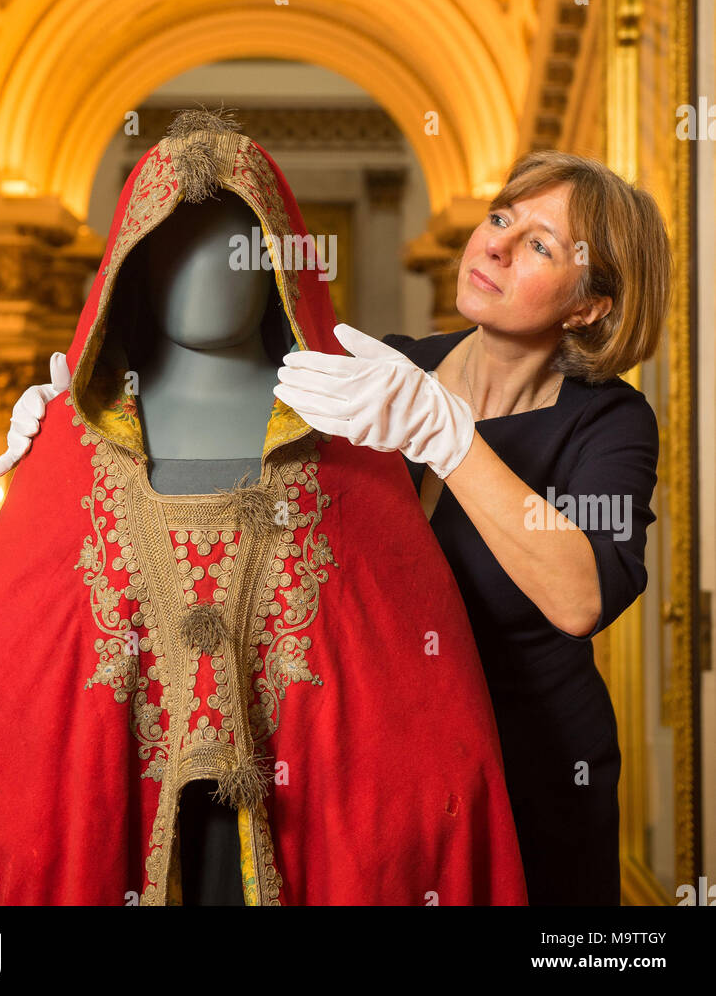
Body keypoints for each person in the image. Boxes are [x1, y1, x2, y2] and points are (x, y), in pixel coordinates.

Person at [0, 109, 527, 907]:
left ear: (279, 265)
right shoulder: (69, 442)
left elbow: (416, 705)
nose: (205, 269)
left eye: (236, 245)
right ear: (132, 264)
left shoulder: (353, 438)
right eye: (172, 243)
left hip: (298, 849)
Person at [273, 150, 672, 906]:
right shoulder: (391, 370)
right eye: (500, 218)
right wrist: (77, 411)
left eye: (541, 245)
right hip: (380, 769)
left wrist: (450, 440)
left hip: (535, 775)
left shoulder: (610, 421)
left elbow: (581, 597)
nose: (494, 244)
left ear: (589, 307)